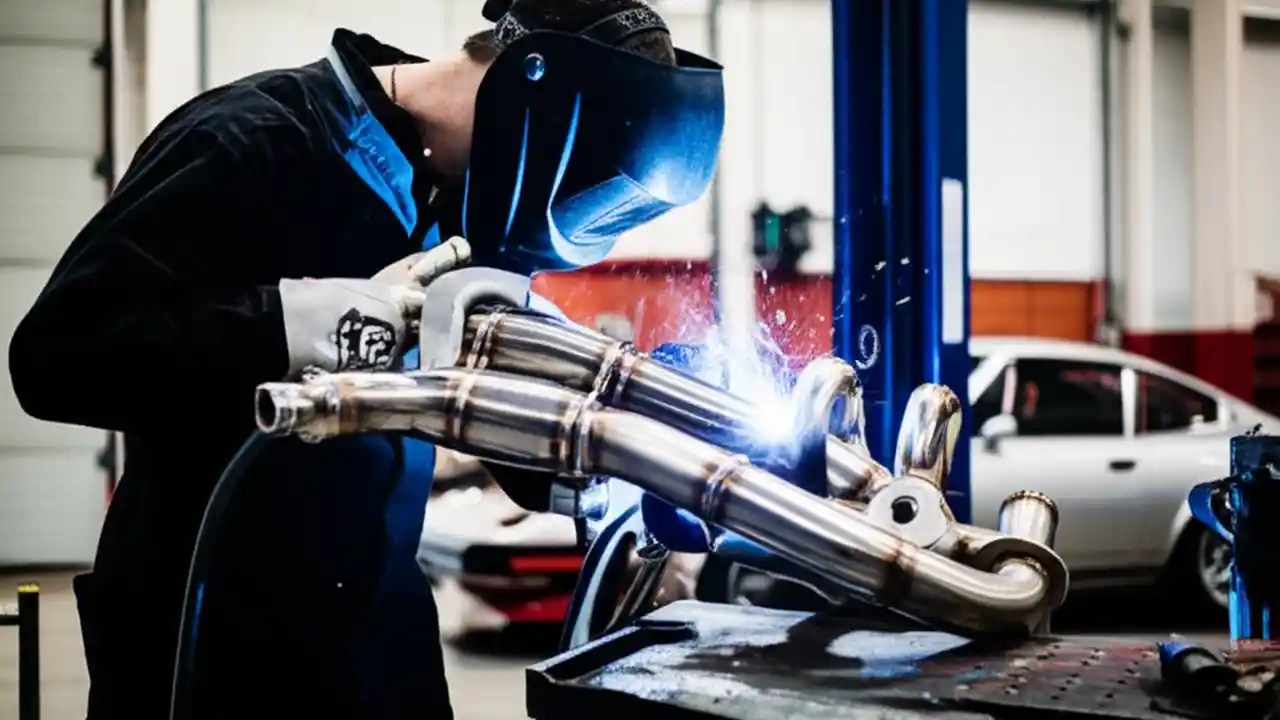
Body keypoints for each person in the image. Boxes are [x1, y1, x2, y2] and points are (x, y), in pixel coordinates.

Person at [6, 0, 723, 717]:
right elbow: (59, 353)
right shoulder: (251, 137)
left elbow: (509, 430)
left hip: (376, 644)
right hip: (208, 646)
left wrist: (630, 450)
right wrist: (306, 324)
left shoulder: (470, 210)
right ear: (535, 104)